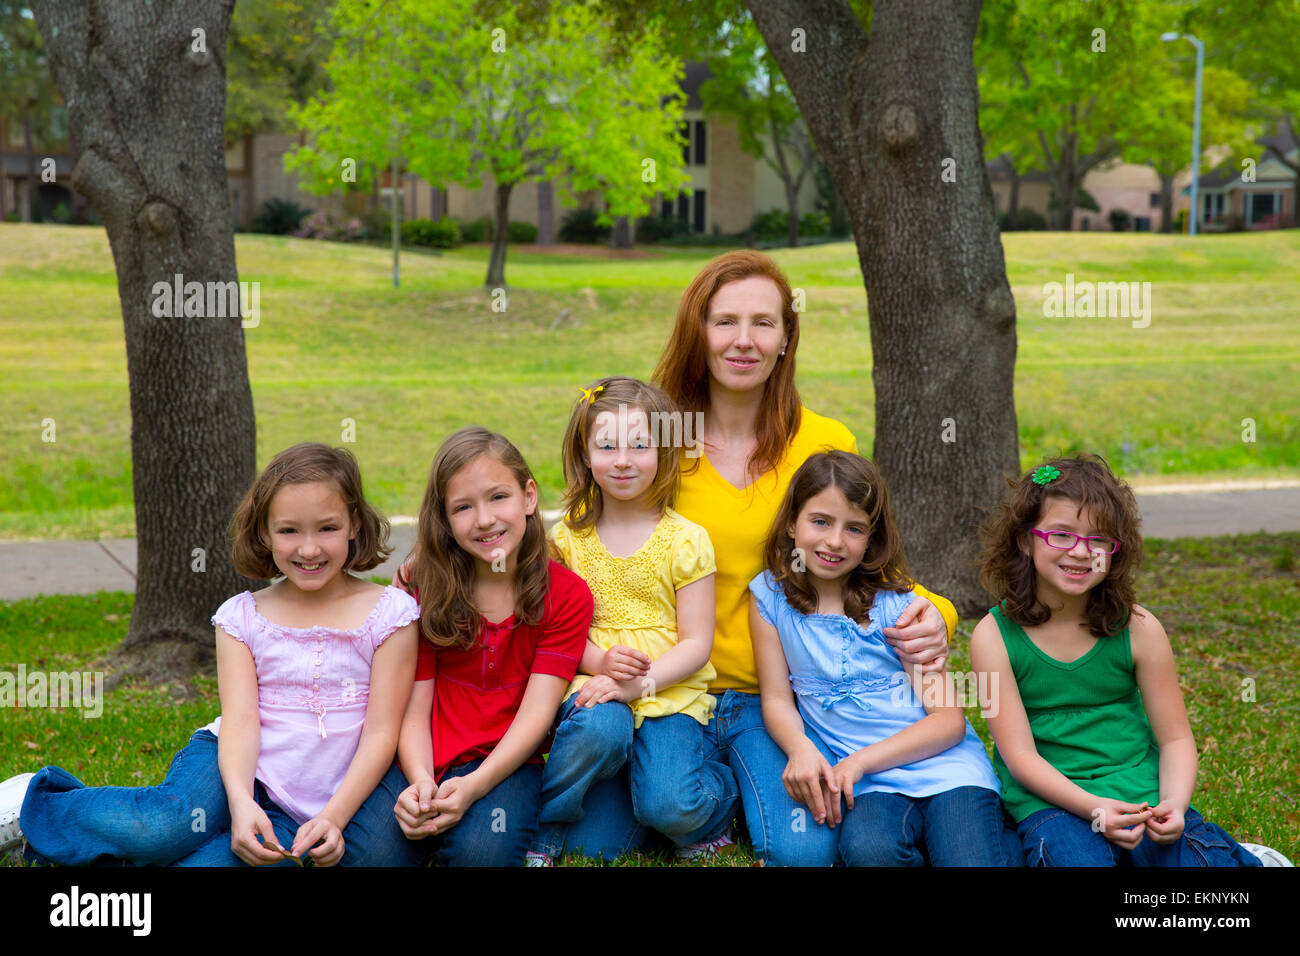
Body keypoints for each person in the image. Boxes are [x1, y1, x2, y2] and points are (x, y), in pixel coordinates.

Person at [560, 249, 959, 866]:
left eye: (763, 323)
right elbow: (580, 524)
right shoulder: (655, 443)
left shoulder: (825, 442)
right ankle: (664, 793)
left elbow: (867, 557)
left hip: (772, 699)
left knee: (805, 851)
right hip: (658, 690)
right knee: (600, 842)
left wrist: (937, 613)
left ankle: (712, 793)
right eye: (724, 322)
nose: (742, 341)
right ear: (699, 331)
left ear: (785, 338)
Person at [1, 442, 419, 866]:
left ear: (354, 526)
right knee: (166, 826)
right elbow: (240, 720)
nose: (308, 549)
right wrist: (240, 803)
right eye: (289, 531)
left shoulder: (390, 615)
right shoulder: (243, 617)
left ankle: (96, 847)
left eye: (327, 528)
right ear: (264, 533)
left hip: (328, 798)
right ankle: (39, 804)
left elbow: (383, 732)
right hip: (236, 767)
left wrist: (333, 816)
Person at [971, 454, 1288, 867]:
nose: (1081, 553)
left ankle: (1249, 859)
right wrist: (1092, 807)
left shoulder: (1138, 628)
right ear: (1025, 540)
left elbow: (1175, 739)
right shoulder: (992, 638)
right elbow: (1020, 757)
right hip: (1052, 799)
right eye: (1061, 535)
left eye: (1098, 539)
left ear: (1116, 550)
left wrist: (1174, 803)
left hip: (1141, 790)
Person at [749, 451, 1020, 866]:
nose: (835, 541)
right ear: (791, 522)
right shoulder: (770, 599)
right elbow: (776, 698)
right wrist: (800, 748)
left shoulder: (897, 606)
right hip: (871, 786)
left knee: (969, 858)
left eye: (854, 528)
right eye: (820, 521)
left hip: (946, 769)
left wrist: (859, 762)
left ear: (872, 538)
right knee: (868, 852)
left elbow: (947, 722)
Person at [526, 377, 738, 866]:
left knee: (667, 805)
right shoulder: (567, 539)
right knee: (602, 736)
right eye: (607, 446)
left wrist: (637, 684)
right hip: (592, 686)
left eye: (640, 445)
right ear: (584, 455)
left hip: (667, 691)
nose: (623, 459)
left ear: (663, 453)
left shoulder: (685, 540)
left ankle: (714, 798)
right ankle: (548, 828)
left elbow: (696, 643)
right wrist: (601, 663)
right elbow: (553, 634)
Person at [390, 427, 594, 866]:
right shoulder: (421, 588)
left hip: (506, 764)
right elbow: (412, 706)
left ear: (530, 497)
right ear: (444, 520)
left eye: (498, 498)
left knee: (480, 855)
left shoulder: (567, 595)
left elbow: (538, 715)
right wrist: (421, 781)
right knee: (372, 853)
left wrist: (476, 786)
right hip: (421, 753)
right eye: (463, 507)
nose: (484, 520)